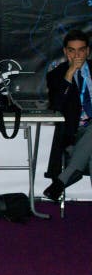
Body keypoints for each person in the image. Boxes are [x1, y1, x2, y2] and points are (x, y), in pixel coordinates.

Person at [43, 29, 92, 201]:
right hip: (74, 133)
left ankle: (62, 180)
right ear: (65, 52)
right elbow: (56, 105)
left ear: (88, 51)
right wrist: (70, 74)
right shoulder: (56, 75)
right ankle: (67, 177)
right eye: (72, 50)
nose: (77, 54)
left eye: (81, 50)